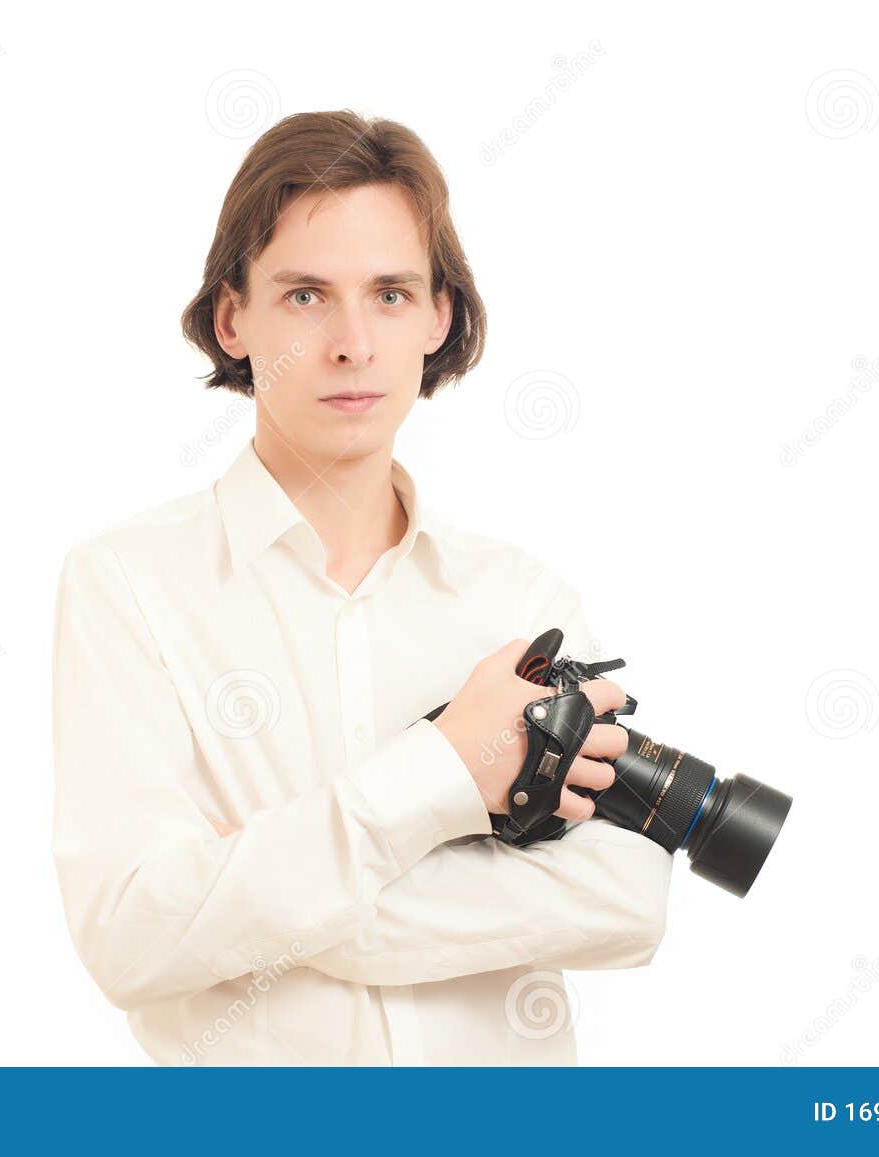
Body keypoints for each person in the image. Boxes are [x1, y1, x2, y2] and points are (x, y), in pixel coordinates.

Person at [51, 110, 672, 1065]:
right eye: (304, 296)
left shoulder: (517, 598)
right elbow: (131, 935)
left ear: (439, 316)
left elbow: (626, 899)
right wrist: (443, 772)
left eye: (390, 292)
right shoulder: (129, 587)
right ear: (233, 319)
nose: (351, 341)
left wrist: (258, 898)